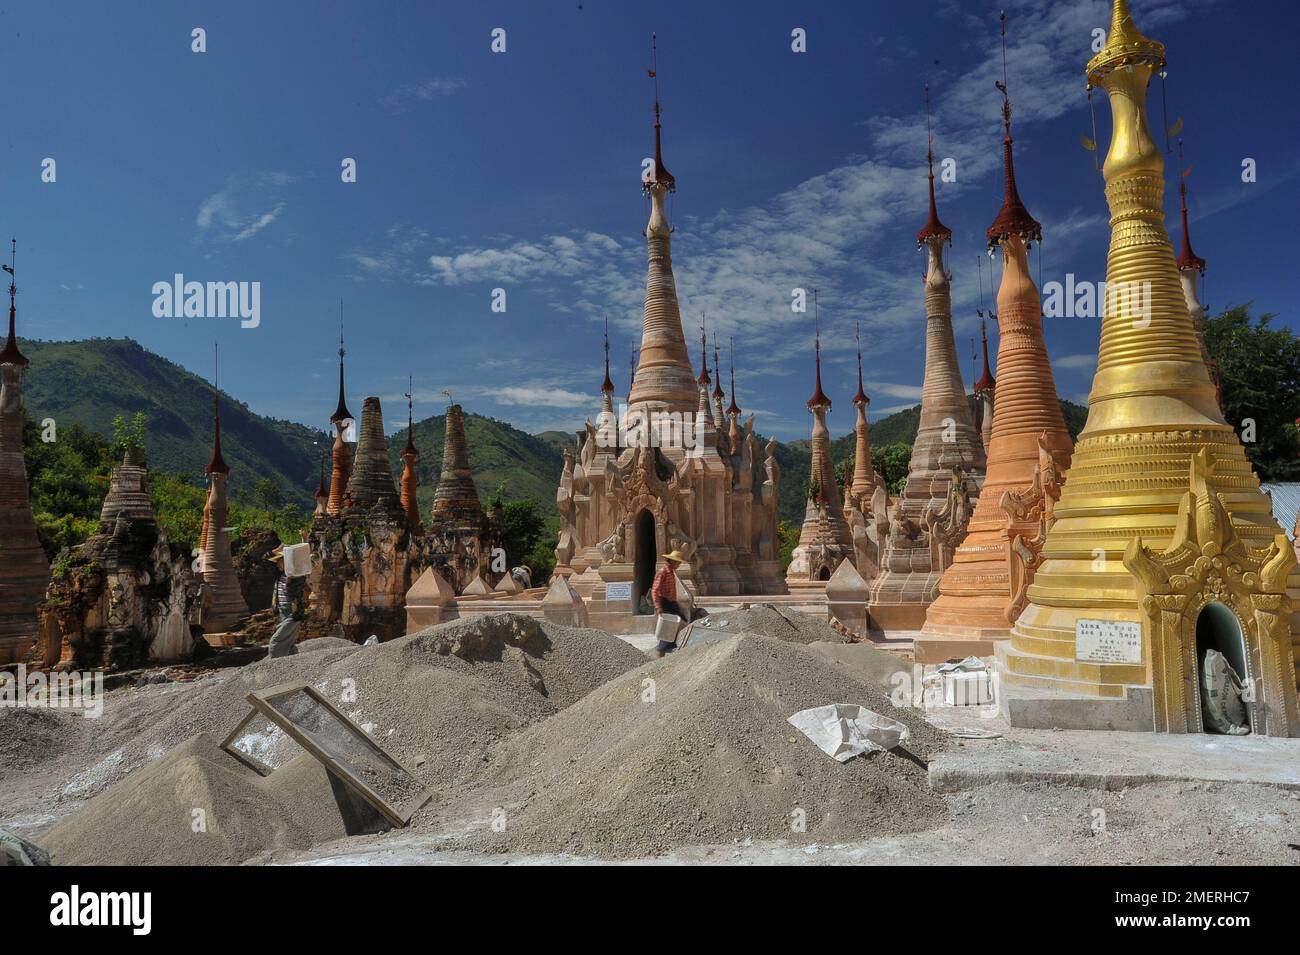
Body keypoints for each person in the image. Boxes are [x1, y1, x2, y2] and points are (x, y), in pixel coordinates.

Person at [266, 544, 309, 658]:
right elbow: (264, 559)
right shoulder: (279, 575)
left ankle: (275, 665)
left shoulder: (297, 577)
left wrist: (304, 540)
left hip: (292, 614)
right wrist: (276, 550)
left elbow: (302, 558)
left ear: (287, 562)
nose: (277, 563)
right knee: (289, 644)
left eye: (280, 560)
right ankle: (293, 665)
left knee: (275, 642)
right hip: (282, 613)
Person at [651, 549, 689, 659]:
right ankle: (660, 654)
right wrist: (658, 607)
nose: (679, 565)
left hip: (672, 603)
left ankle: (670, 649)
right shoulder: (663, 572)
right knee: (667, 629)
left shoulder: (671, 572)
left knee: (682, 621)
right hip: (664, 603)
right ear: (672, 561)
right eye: (678, 562)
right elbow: (655, 590)